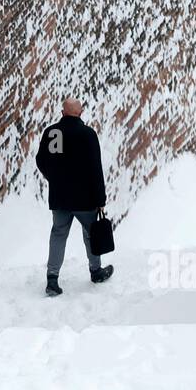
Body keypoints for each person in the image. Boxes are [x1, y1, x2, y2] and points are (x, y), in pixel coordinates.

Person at [35, 98, 113, 297]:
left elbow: (42, 160)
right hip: (84, 198)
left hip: (59, 196)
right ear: (81, 112)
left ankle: (52, 279)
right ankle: (96, 271)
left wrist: (53, 178)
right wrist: (100, 199)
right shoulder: (87, 134)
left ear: (63, 112)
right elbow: (96, 169)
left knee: (58, 235)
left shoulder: (53, 133)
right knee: (90, 234)